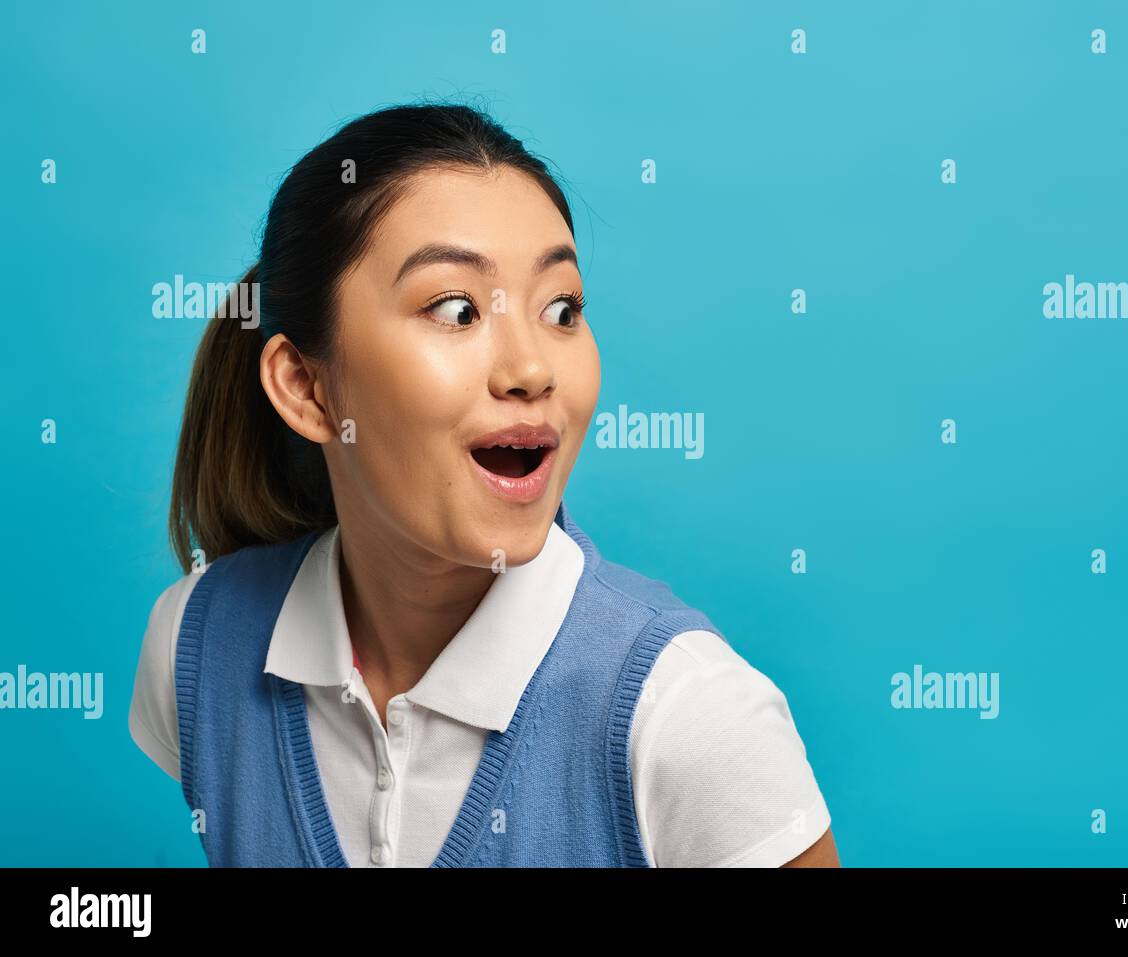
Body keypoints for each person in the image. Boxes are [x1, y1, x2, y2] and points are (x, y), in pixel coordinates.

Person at [128, 102, 837, 867]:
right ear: (304, 386)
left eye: (561, 309)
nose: (532, 369)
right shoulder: (195, 645)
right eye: (457, 309)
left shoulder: (688, 715)